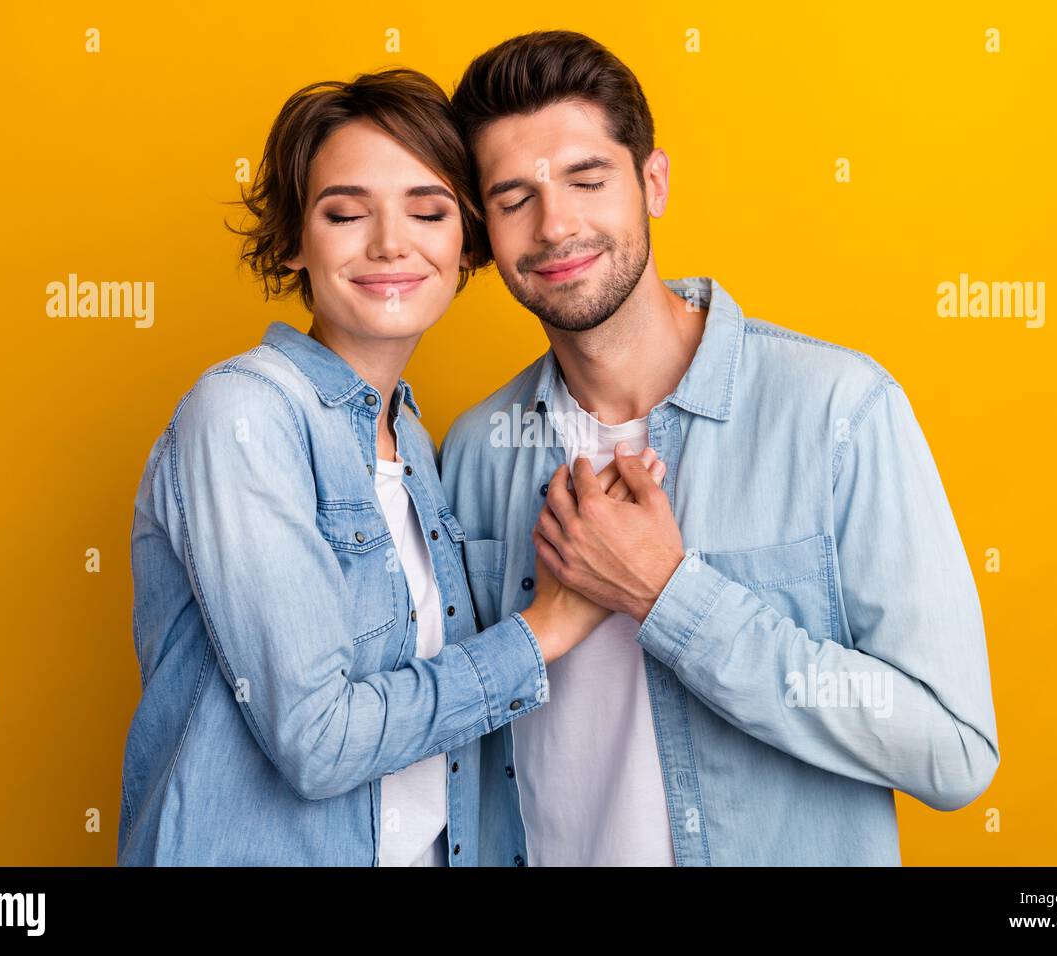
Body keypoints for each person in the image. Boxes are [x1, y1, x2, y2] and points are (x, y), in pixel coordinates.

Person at [440, 30, 1001, 866]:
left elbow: (954, 750)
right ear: (485, 225)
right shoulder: (477, 450)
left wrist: (671, 596)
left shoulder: (838, 410)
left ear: (652, 183)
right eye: (515, 197)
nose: (556, 225)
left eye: (588, 179)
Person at [116, 68, 664, 866]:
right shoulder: (244, 415)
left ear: (465, 243)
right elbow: (318, 742)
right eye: (344, 213)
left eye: (428, 210)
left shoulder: (412, 439)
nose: (389, 244)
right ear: (297, 242)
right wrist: (544, 627)